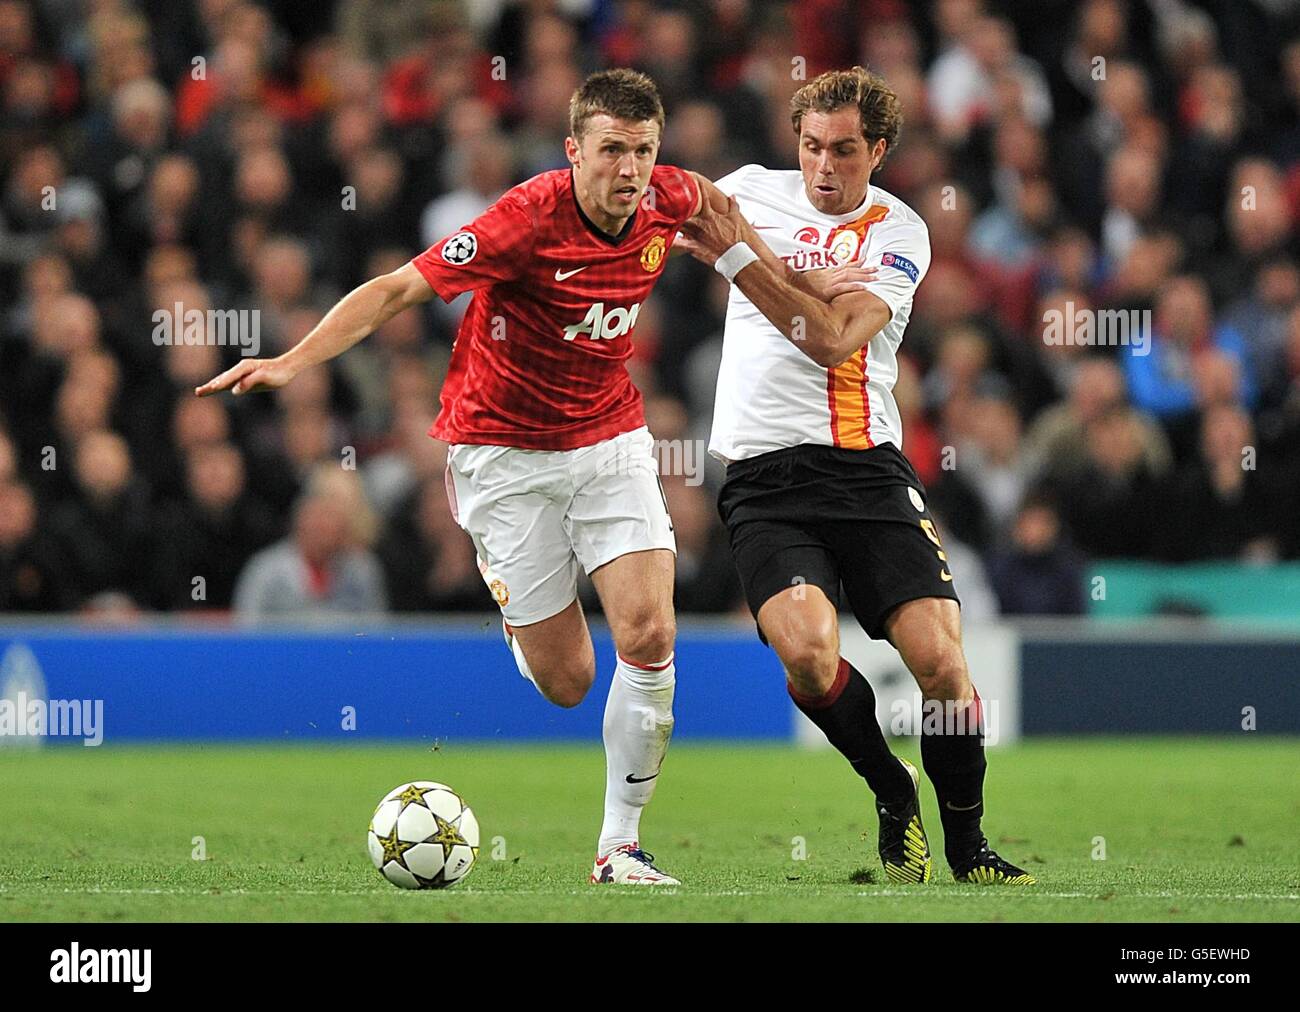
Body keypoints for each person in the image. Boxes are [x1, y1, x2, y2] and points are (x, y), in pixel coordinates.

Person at [197, 69, 863, 886]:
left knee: (651, 636)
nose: (629, 169)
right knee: (569, 682)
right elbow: (400, 288)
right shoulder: (523, 220)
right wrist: (295, 361)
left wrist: (800, 287)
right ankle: (525, 625)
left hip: (610, 438)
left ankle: (619, 846)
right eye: (612, 149)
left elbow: (736, 242)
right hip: (502, 456)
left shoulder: (675, 196)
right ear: (574, 150)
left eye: (643, 151)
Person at [677, 66, 1035, 885]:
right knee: (806, 654)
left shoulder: (900, 231)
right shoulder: (746, 192)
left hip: (866, 470)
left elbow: (832, 340)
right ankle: (889, 784)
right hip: (763, 475)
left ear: (877, 149)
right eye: (809, 148)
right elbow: (648, 200)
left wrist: (743, 260)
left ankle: (970, 846)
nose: (823, 168)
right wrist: (782, 266)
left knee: (942, 665)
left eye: (843, 150)